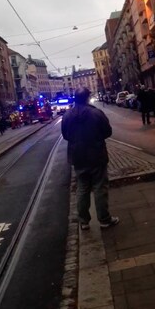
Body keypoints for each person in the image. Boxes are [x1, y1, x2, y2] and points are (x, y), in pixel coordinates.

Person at [61, 87, 119, 230]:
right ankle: (104, 219)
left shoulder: (67, 116)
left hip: (78, 156)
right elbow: (108, 132)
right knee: (100, 187)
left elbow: (66, 136)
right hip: (96, 155)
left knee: (82, 188)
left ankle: (84, 221)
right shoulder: (96, 113)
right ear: (87, 98)